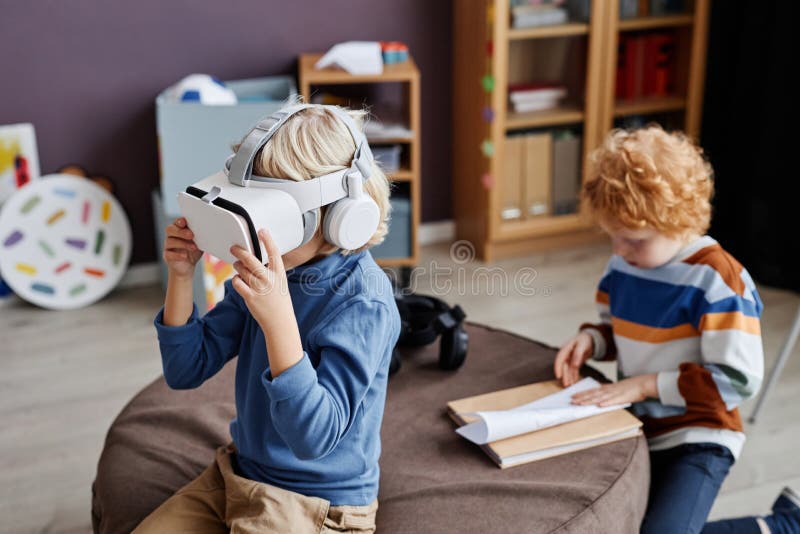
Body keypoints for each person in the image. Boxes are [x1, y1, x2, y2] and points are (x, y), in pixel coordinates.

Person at [135, 104, 401, 533]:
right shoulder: (271, 275)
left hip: (320, 503)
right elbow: (185, 371)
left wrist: (278, 319)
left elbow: (313, 438)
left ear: (337, 218)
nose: (252, 231)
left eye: (269, 215)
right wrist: (182, 276)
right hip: (239, 474)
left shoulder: (363, 302)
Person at [554, 125, 800, 533]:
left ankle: (785, 526)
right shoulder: (623, 267)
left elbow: (737, 381)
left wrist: (646, 385)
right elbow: (616, 328)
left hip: (700, 433)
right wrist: (591, 341)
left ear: (676, 219)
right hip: (639, 428)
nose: (618, 251)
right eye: (612, 237)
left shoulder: (718, 280)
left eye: (632, 240)